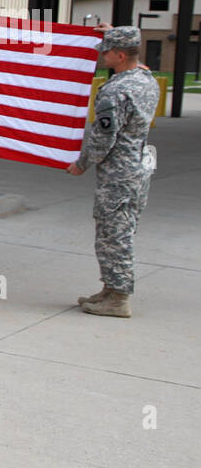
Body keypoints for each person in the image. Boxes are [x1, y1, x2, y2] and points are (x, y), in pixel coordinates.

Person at [66, 25, 159, 319]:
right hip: (137, 169)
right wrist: (114, 31)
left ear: (119, 55)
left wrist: (82, 163)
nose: (102, 56)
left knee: (114, 235)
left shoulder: (116, 90)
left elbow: (104, 136)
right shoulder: (146, 80)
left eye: (106, 51)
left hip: (118, 175)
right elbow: (137, 56)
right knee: (120, 229)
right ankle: (110, 289)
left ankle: (118, 298)